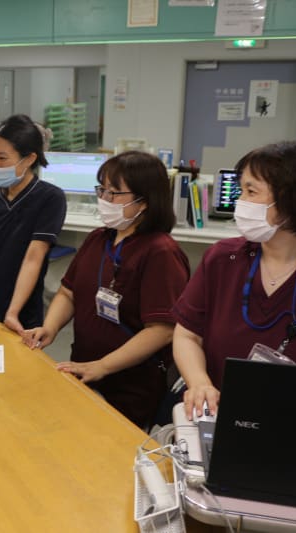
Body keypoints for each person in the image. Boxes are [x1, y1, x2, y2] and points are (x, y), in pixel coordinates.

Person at [23, 151, 190, 428]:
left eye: (115, 193)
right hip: (84, 369)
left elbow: (162, 330)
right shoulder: (99, 239)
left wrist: (103, 366)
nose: (104, 200)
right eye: (102, 190)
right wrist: (49, 328)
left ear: (144, 201)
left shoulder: (160, 252)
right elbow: (68, 292)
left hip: (130, 383)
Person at [173, 141, 296, 419]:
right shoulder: (223, 259)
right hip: (218, 413)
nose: (241, 202)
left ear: (294, 199)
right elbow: (186, 334)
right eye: (241, 191)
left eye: (251, 191)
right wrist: (200, 383)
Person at [0, 114, 66, 332]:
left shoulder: (50, 198)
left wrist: (12, 312)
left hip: (22, 304)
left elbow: (34, 257)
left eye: (2, 158)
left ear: (30, 159)